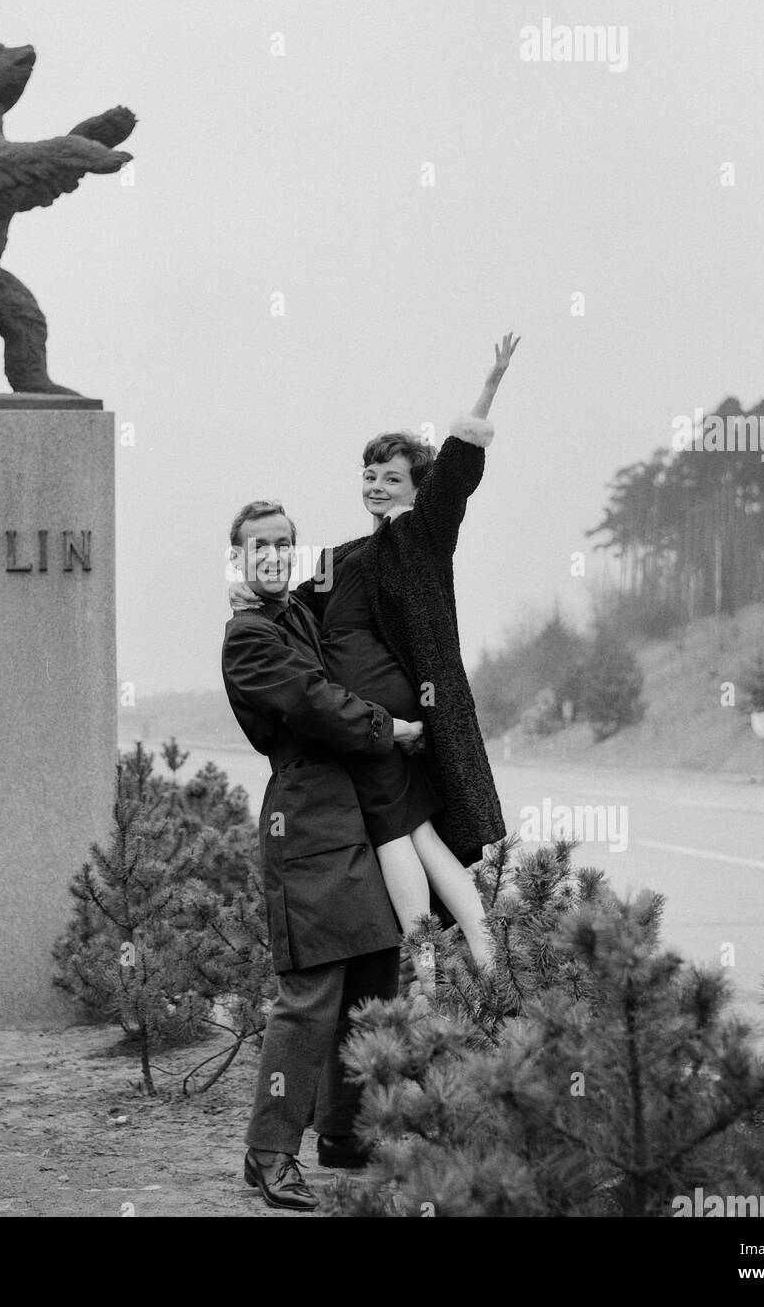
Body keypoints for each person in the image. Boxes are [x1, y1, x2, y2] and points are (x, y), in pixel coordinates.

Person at [231, 333, 520, 991]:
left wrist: (488, 387)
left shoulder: (419, 536)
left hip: (388, 726)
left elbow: (454, 473)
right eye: (369, 475)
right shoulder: (343, 558)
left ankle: (422, 978)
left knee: (397, 840)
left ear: (413, 489)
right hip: (371, 724)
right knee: (421, 840)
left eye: (392, 477)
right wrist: (247, 590)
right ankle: (484, 961)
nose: (376, 485)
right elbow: (292, 603)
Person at [221, 498, 424, 1211]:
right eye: (258, 546)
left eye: (283, 543)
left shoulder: (298, 610)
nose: (273, 554)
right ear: (238, 558)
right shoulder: (247, 637)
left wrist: (399, 516)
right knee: (308, 997)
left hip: (352, 818)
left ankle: (342, 1133)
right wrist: (388, 727)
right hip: (304, 825)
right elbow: (313, 700)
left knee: (373, 971)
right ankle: (268, 1154)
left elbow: (354, 574)